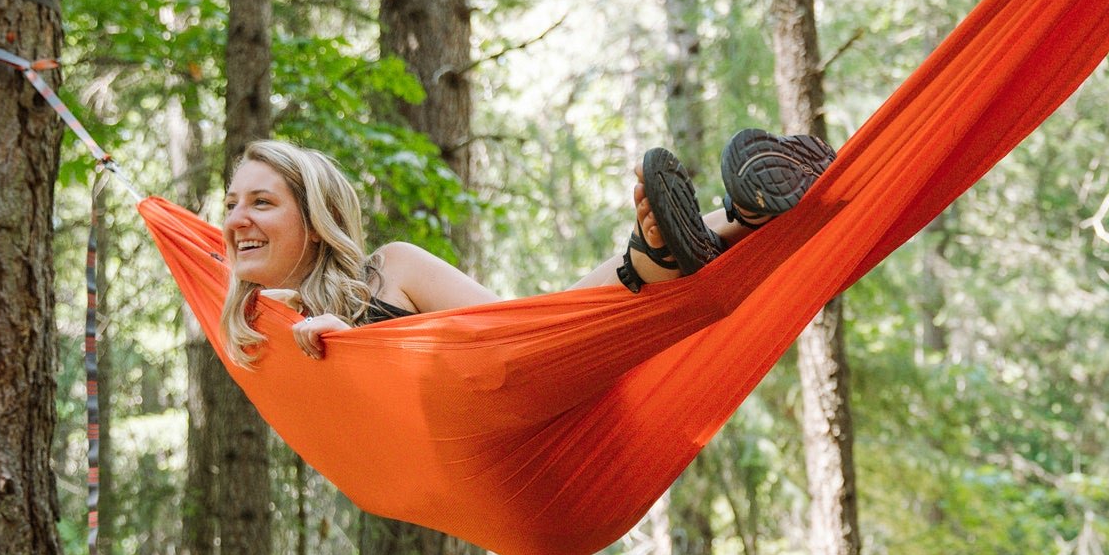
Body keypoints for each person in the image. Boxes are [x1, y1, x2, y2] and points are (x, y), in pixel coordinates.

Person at [218, 130, 836, 364]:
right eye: (230, 205)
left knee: (548, 320)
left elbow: (517, 327)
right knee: (572, 311)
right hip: (485, 462)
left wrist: (359, 338)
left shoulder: (390, 270)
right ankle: (702, 234)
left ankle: (726, 222)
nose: (237, 219)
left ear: (316, 218)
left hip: (519, 385)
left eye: (262, 202)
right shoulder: (257, 327)